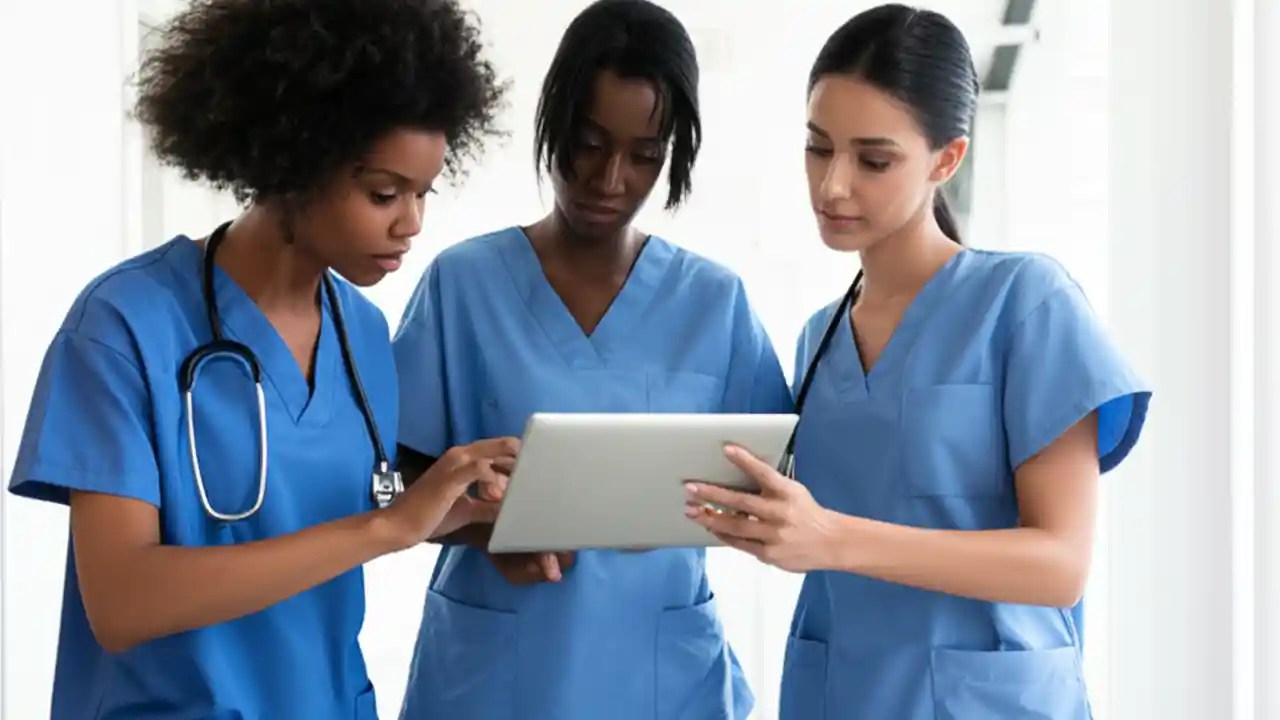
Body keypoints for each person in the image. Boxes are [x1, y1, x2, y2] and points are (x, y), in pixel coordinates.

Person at [5, 1, 514, 718]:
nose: (412, 223)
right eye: (383, 193)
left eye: (423, 193)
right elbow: (121, 601)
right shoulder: (125, 326)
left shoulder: (363, 336)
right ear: (294, 161)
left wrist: (447, 512)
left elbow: (322, 520)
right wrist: (388, 528)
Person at [684, 5, 1151, 719]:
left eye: (873, 160)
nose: (833, 186)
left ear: (947, 158)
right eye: (818, 148)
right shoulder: (820, 340)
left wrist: (834, 540)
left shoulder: (1026, 303)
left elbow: (1060, 565)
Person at [390, 1, 791, 717]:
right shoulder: (464, 285)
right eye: (588, 143)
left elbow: (778, 484)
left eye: (644, 156)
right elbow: (387, 483)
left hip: (661, 671)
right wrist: (485, 532)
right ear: (553, 125)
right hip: (499, 671)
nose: (611, 180)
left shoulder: (714, 301)